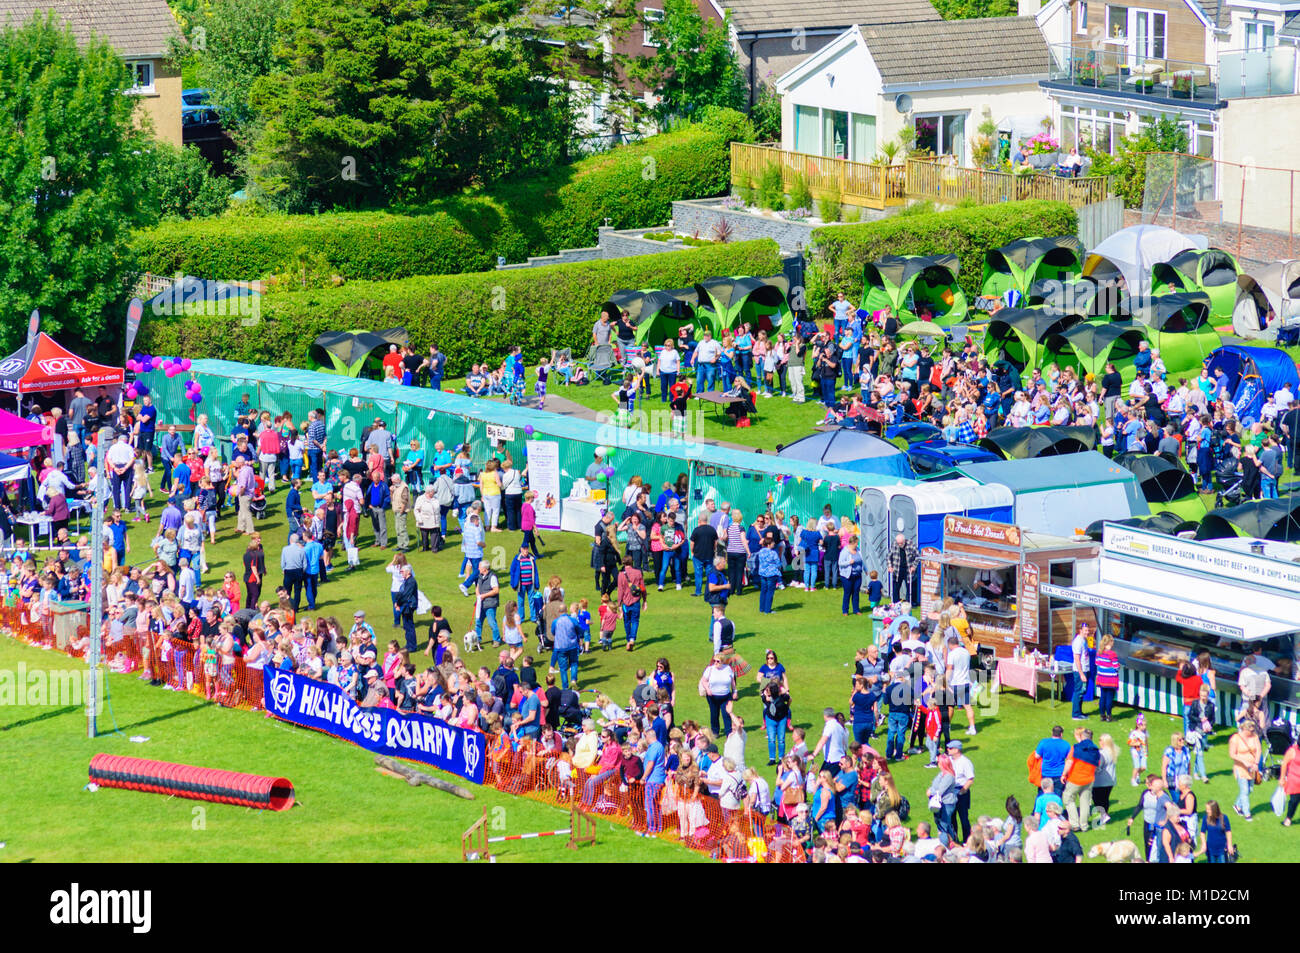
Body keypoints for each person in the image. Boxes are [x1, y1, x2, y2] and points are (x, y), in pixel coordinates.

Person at [1229, 719, 1261, 821]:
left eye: (1253, 730)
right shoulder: (1235, 739)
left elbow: (1259, 750)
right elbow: (1232, 754)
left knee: (1250, 789)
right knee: (1244, 790)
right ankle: (1247, 813)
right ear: (1245, 729)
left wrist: (1256, 763)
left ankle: (1237, 805)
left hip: (1252, 768)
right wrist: (1244, 761)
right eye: (1251, 731)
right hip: (1240, 767)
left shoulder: (1254, 737)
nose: (1253, 732)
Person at [700, 654, 736, 736]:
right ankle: (715, 732)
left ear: (722, 662)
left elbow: (732, 681)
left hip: (725, 696)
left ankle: (729, 733)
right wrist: (707, 689)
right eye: (714, 661)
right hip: (713, 696)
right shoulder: (710, 669)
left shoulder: (728, 669)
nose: (715, 663)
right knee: (714, 714)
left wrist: (735, 691)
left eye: (718, 661)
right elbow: (703, 680)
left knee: (726, 714)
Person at [1034, 725, 1071, 797]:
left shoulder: (1044, 742)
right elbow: (1069, 759)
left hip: (1046, 774)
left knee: (1042, 795)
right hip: (1059, 774)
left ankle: (1039, 808)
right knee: (1057, 795)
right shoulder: (1066, 744)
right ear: (1061, 734)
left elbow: (1036, 756)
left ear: (1052, 733)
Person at [1070, 621, 1091, 720]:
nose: (1087, 632)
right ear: (1080, 630)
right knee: (1078, 691)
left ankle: (1079, 711)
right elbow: (1077, 658)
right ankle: (1075, 714)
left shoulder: (1084, 640)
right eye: (1085, 630)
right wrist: (1081, 673)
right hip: (1079, 671)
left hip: (1085, 669)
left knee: (1082, 691)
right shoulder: (1078, 641)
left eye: (1088, 630)